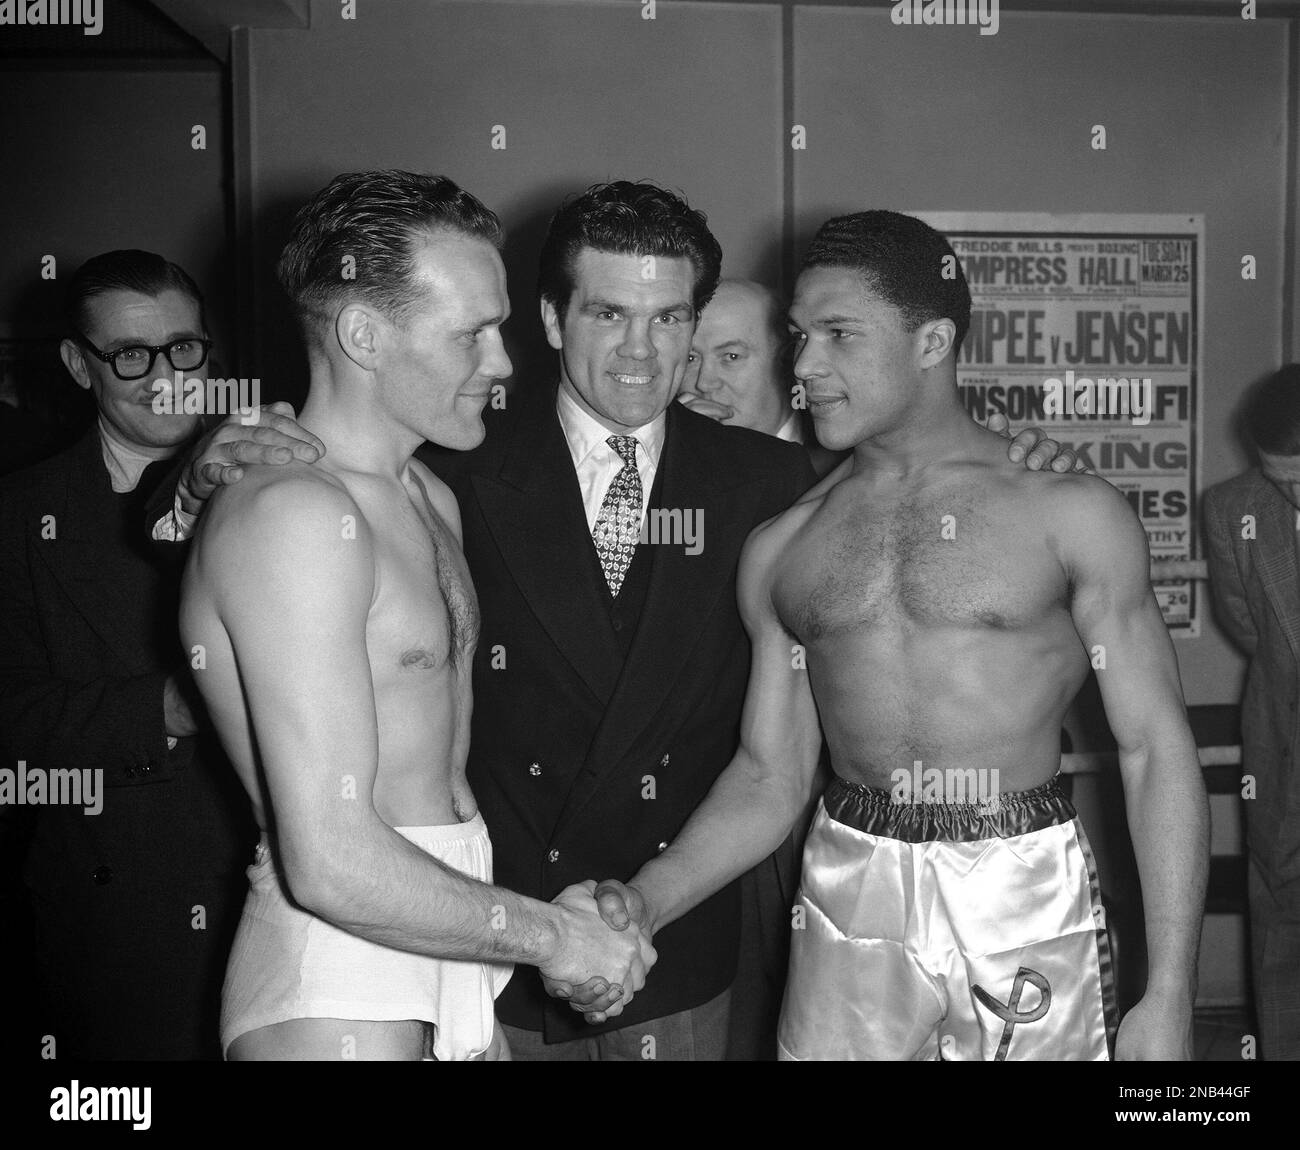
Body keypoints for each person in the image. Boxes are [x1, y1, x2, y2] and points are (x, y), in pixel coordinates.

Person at [166, 185, 1077, 1061]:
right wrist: (200, 477)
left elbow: (914, 505)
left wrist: (1021, 459)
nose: (641, 352)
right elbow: (267, 558)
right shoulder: (459, 459)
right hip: (487, 934)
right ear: (557, 319)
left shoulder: (774, 487)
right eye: (606, 314)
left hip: (659, 942)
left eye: (672, 318)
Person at [582, 210, 1209, 1061]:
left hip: (1019, 880)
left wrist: (1169, 992)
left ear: (933, 341)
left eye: (840, 335)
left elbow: (1155, 750)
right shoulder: (784, 544)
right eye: (800, 337)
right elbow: (771, 776)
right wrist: (647, 899)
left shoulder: (1068, 511)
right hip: (849, 882)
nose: (805, 366)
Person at [177, 171, 654, 1061]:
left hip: (447, 930)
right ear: (363, 334)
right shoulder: (293, 515)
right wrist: (554, 938)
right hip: (339, 970)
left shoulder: (430, 491)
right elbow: (328, 858)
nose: (505, 360)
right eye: (471, 333)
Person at [0, 250, 255, 1059]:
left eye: (184, 348)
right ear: (80, 365)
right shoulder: (22, 518)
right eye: (131, 356)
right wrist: (169, 708)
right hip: (124, 929)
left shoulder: (277, 479)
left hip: (281, 897)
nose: (167, 377)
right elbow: (11, 731)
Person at [1204, 364, 1300, 1061]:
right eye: (1281, 480)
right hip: (1283, 752)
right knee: (1279, 921)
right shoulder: (1232, 508)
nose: (1293, 494)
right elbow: (1249, 629)